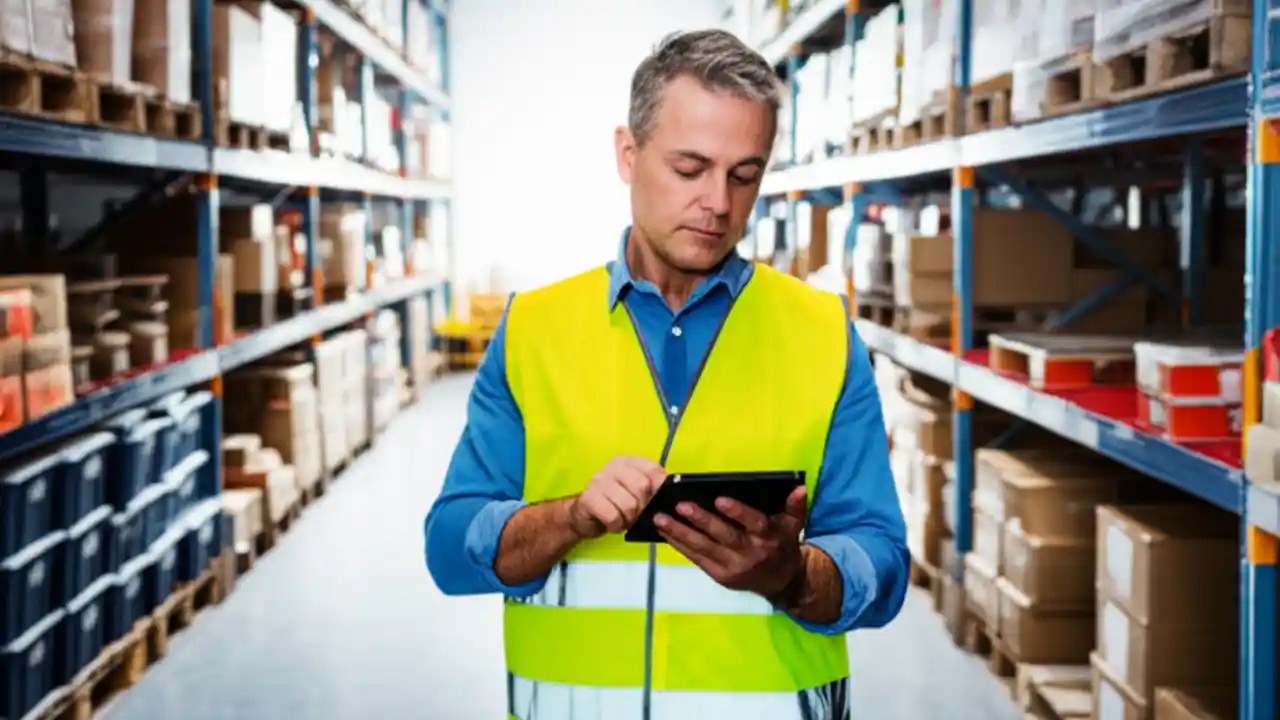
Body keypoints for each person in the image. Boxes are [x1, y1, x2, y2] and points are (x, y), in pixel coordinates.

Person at [424, 28, 909, 720]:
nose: (718, 202)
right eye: (690, 169)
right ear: (628, 154)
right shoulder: (534, 329)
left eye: (745, 175)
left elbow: (883, 564)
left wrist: (793, 577)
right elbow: (450, 548)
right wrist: (569, 518)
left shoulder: (823, 334)